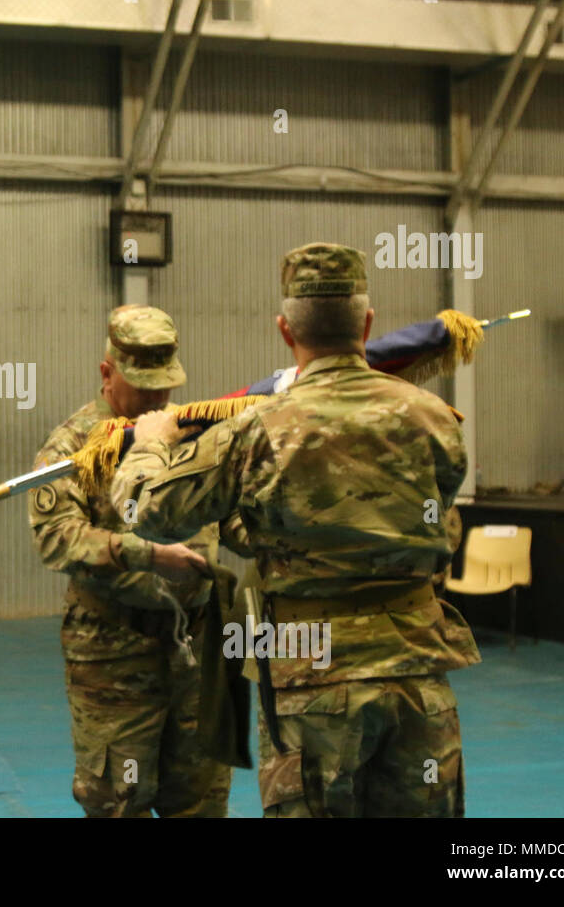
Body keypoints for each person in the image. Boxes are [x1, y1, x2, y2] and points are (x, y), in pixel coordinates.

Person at [110, 243, 481, 817]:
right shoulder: (433, 417)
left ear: (286, 331)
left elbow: (145, 511)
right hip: (417, 674)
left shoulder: (256, 428)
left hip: (313, 683)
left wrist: (153, 443)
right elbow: (439, 525)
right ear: (367, 323)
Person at [29, 305, 232, 817]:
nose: (158, 400)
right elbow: (57, 538)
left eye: (166, 386)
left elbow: (231, 514)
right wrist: (145, 555)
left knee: (203, 801)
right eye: (144, 388)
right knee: (119, 800)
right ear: (107, 373)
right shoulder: (73, 447)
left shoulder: (192, 432)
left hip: (199, 647)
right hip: (115, 653)